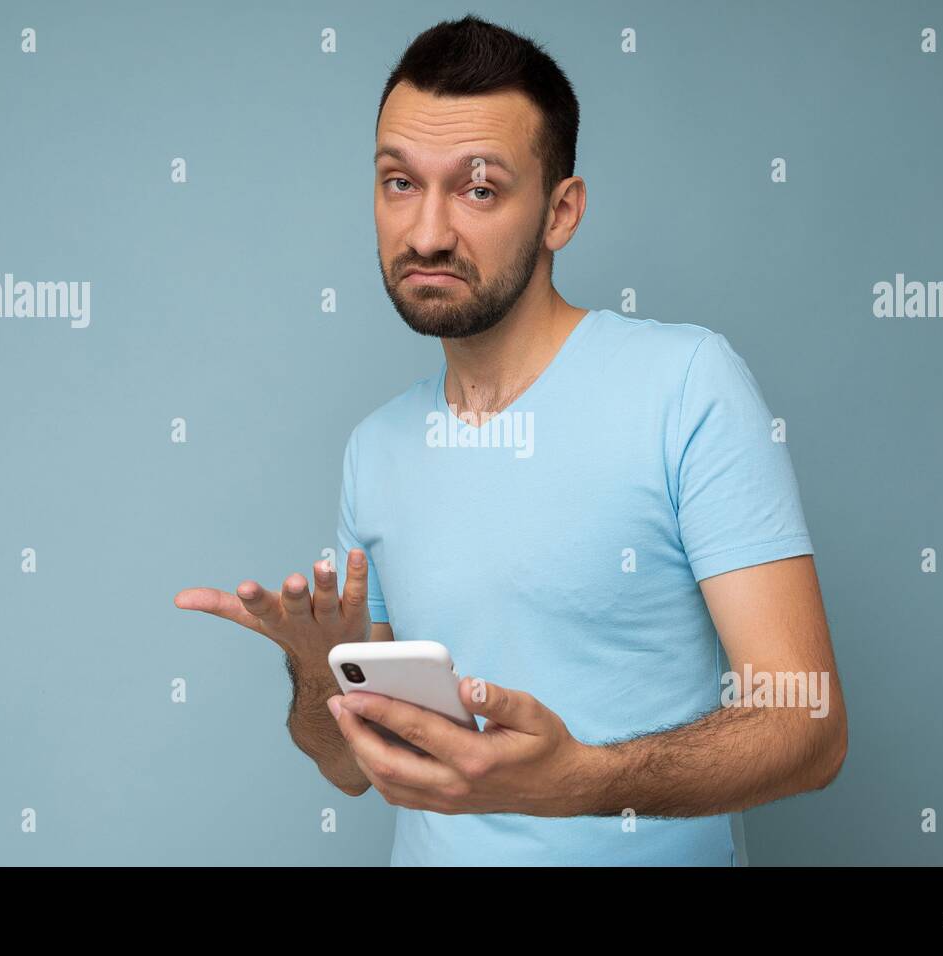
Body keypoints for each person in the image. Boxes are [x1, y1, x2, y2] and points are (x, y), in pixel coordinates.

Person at [176, 14, 846, 866]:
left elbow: (811, 727)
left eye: (479, 189)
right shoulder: (374, 450)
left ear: (561, 211)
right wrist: (318, 673)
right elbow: (350, 767)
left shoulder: (686, 385)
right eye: (398, 184)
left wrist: (585, 782)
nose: (426, 234)